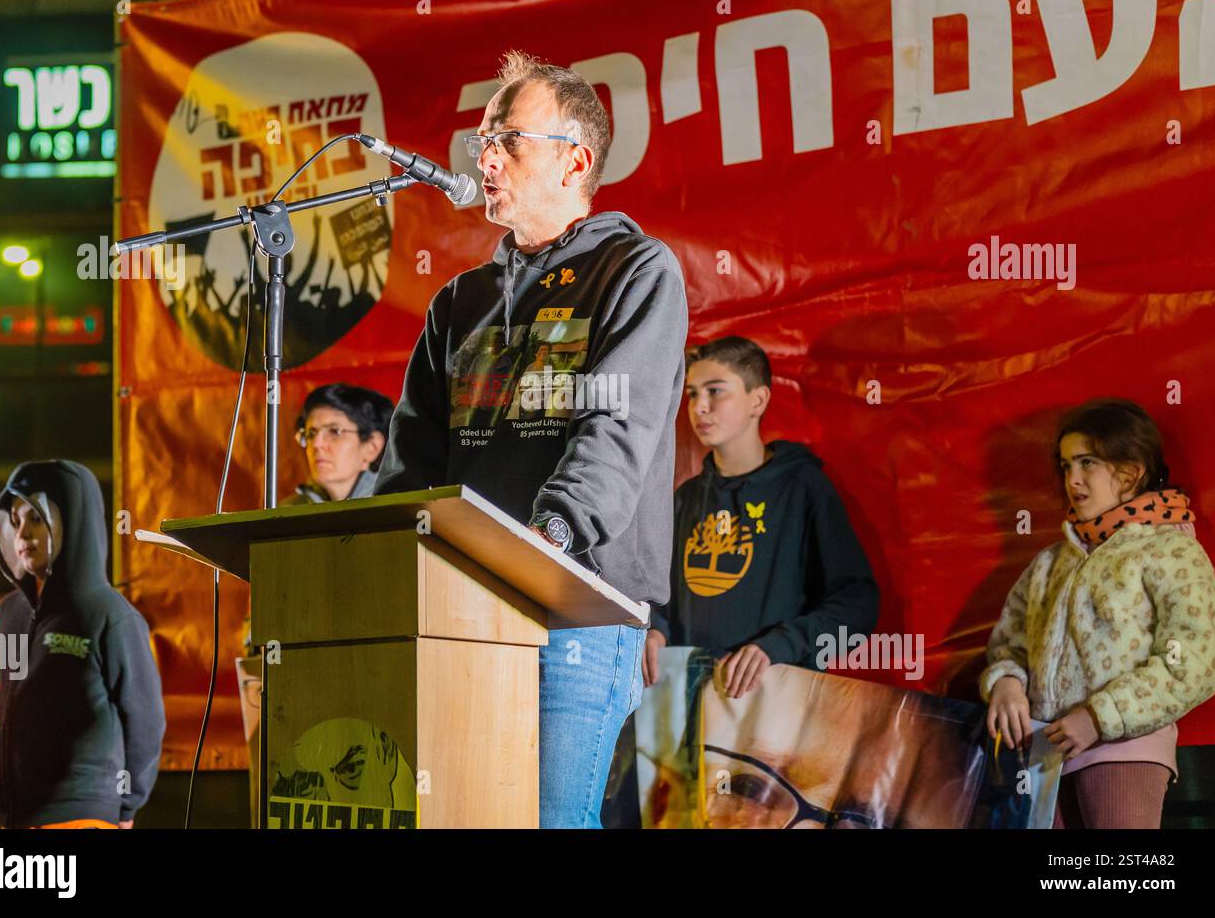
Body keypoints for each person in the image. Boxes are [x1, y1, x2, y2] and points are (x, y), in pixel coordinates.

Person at [375, 50, 688, 828]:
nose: (483, 157)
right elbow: (413, 458)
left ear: (575, 159)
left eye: (506, 139)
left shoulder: (636, 270)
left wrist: (543, 540)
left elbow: (615, 434)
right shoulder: (460, 300)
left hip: (574, 611)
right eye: (480, 138)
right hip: (463, 606)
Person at [982, 398, 1215, 829]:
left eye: (1087, 462)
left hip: (1124, 750)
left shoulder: (1171, 551)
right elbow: (1010, 645)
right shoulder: (1049, 564)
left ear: (1130, 473)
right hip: (1043, 758)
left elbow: (1194, 661)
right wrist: (1005, 684)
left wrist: (1099, 718)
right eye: (1066, 465)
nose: (1072, 479)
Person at [643, 337, 878, 698]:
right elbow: (660, 598)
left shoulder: (803, 488)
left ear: (758, 400)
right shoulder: (685, 498)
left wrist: (778, 646)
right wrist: (655, 630)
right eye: (691, 394)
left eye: (715, 391)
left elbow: (858, 605)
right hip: (688, 717)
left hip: (774, 713)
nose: (699, 407)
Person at [0, 460, 165, 828]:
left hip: (80, 816)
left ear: (74, 521)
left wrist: (126, 808)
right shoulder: (5, 616)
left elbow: (144, 722)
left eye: (36, 518)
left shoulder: (110, 616)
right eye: (15, 521)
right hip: (6, 819)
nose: (22, 534)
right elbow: (2, 697)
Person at [282, 382, 393, 505]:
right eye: (310, 434)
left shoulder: (397, 508)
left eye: (335, 431)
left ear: (372, 447)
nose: (316, 444)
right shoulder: (290, 511)